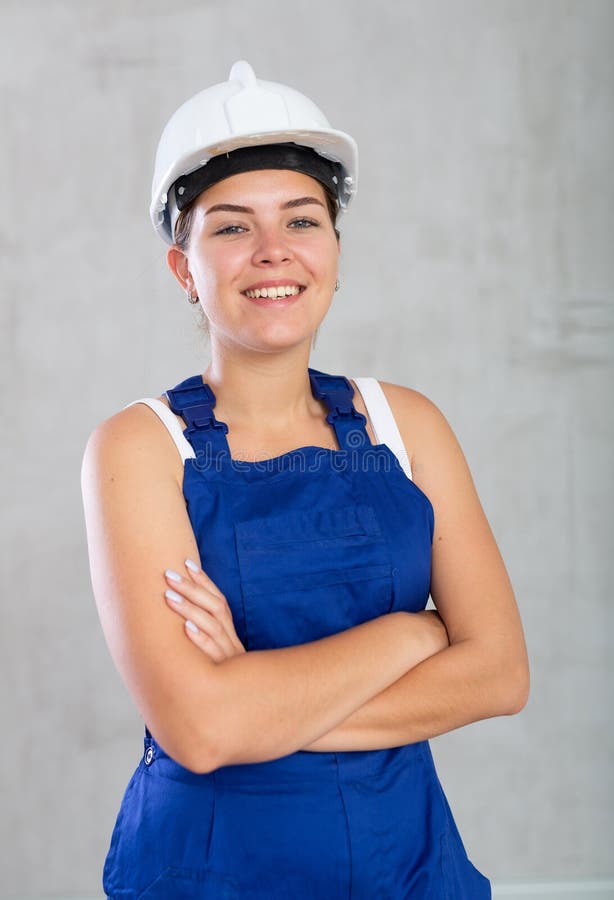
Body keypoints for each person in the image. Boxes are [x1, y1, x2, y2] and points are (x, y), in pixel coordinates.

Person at [80, 60, 529, 899]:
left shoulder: (408, 425)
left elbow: (501, 674)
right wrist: (416, 636)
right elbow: (200, 731)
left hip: (414, 870)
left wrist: (257, 699)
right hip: (208, 875)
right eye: (230, 228)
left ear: (334, 248)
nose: (274, 252)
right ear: (184, 270)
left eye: (302, 218)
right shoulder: (137, 449)